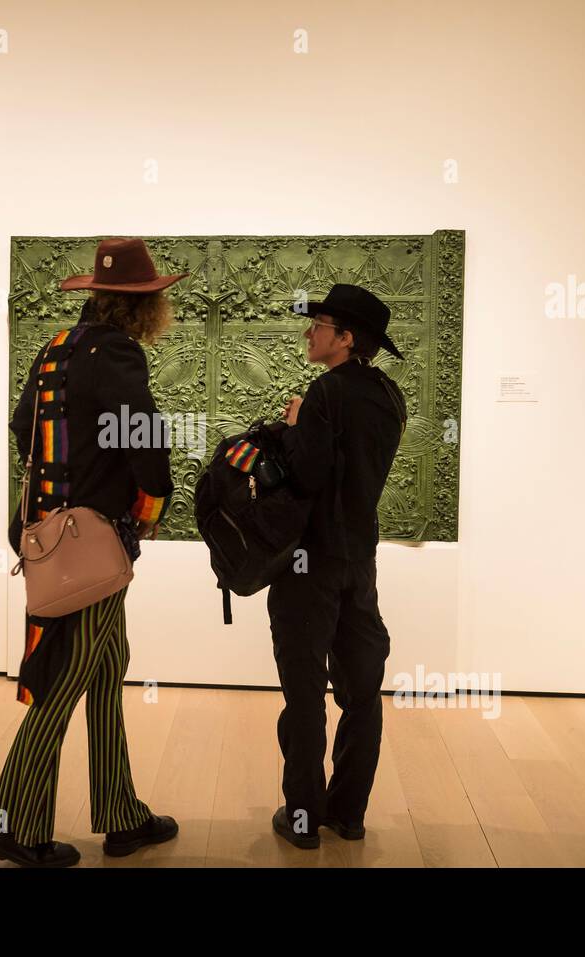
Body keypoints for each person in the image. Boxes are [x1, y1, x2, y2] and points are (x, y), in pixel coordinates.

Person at [0, 237, 186, 867]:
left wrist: (62, 481)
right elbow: (143, 436)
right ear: (140, 306)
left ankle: (120, 815)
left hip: (48, 534)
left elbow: (22, 430)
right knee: (68, 675)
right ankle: (12, 825)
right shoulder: (118, 353)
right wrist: (149, 506)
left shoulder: (56, 347)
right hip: (92, 543)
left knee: (105, 660)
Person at [266, 283, 408, 850]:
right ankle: (348, 814)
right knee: (361, 691)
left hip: (310, 566)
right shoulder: (390, 396)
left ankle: (302, 819)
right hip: (359, 563)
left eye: (320, 325)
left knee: (304, 694)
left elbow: (309, 477)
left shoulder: (324, 394)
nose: (310, 333)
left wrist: (297, 426)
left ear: (345, 339)